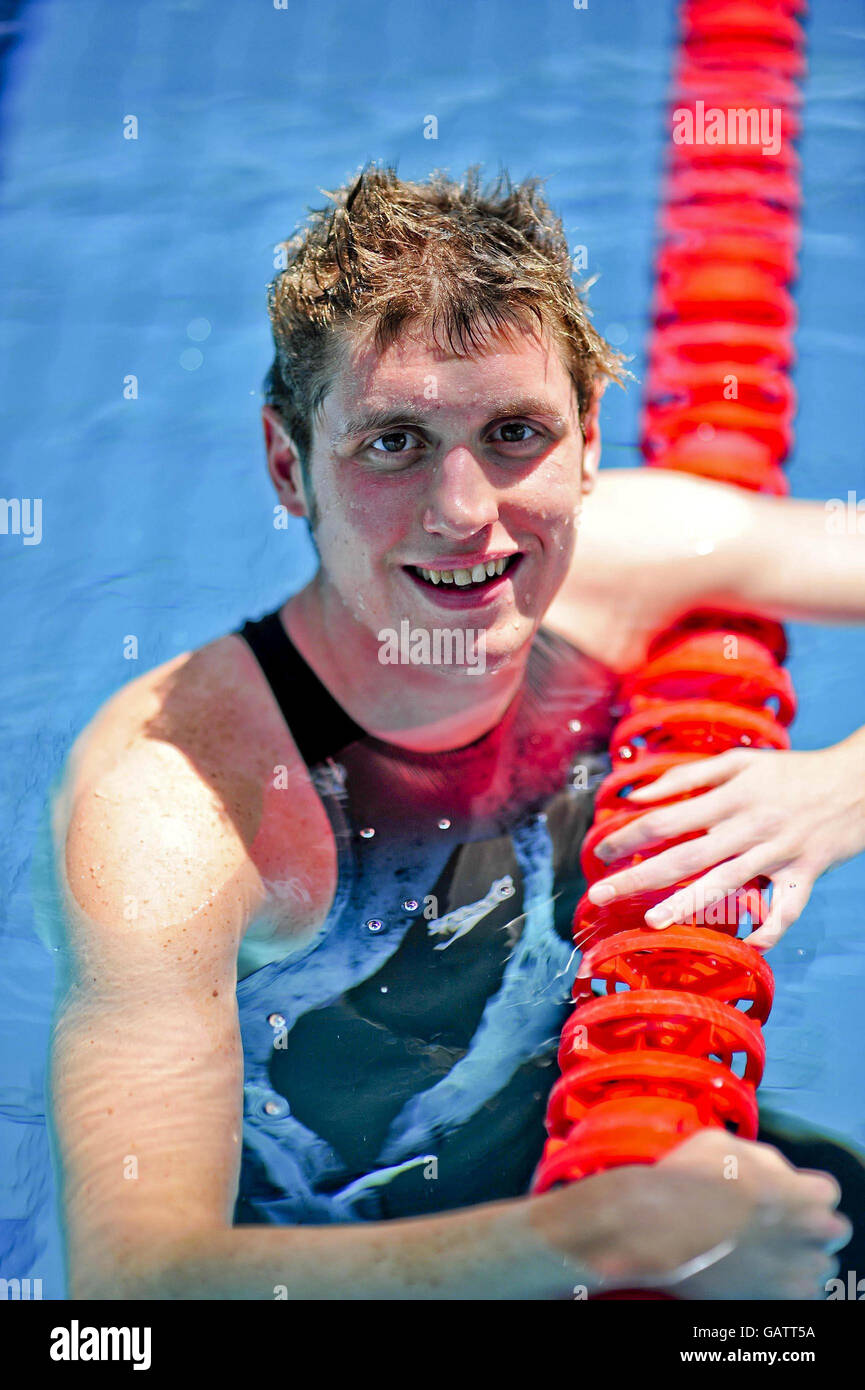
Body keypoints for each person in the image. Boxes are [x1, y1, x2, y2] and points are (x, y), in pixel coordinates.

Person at [46, 165, 865, 1301]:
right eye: (393, 442)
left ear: (587, 445)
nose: (465, 511)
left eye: (514, 432)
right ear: (289, 466)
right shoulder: (179, 811)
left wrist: (840, 790)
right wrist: (593, 1237)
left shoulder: (626, 558)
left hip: (603, 1139)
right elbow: (132, 1289)